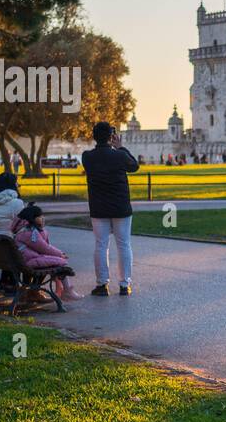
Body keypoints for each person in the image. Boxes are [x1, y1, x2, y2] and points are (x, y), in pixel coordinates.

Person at [82, 121, 140, 297]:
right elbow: (134, 166)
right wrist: (121, 147)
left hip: (99, 207)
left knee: (101, 245)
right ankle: (124, 284)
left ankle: (102, 284)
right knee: (123, 245)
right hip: (120, 206)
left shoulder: (87, 157)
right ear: (111, 137)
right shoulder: (119, 156)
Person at [11, 204, 81, 300]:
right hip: (28, 261)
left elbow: (43, 247)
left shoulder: (24, 230)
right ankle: (67, 291)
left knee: (50, 261)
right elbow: (44, 248)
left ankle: (32, 291)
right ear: (33, 218)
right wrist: (60, 254)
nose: (42, 218)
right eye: (40, 216)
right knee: (58, 263)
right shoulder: (30, 233)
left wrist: (58, 253)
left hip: (25, 260)